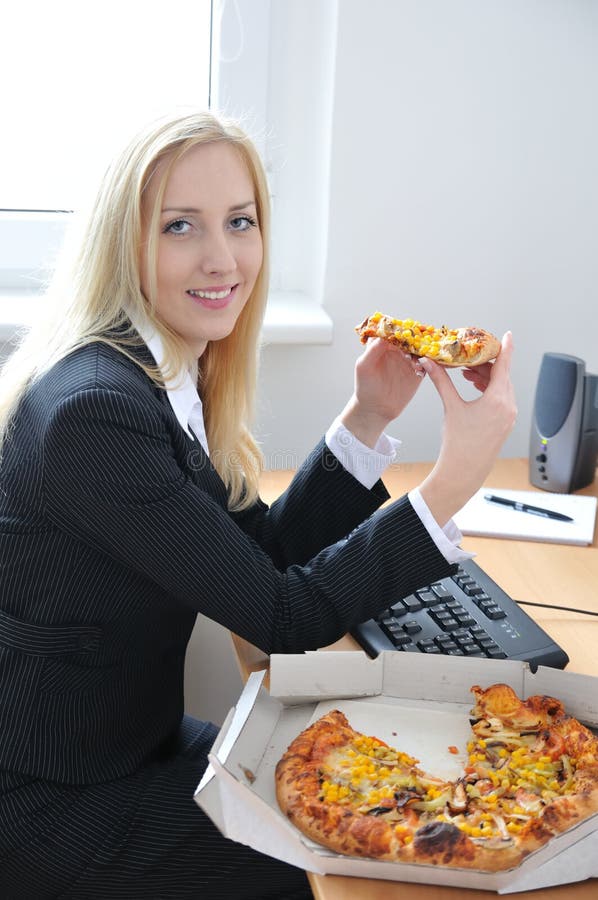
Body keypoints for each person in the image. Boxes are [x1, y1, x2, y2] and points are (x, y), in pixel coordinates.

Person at [0, 110, 516, 899]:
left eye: (240, 222)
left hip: (128, 745)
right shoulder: (93, 413)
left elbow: (259, 560)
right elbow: (280, 620)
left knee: (402, 806)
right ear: (122, 243)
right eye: (180, 225)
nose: (223, 258)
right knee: (394, 866)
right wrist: (450, 482)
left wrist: (368, 417)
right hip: (56, 801)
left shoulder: (156, 367)